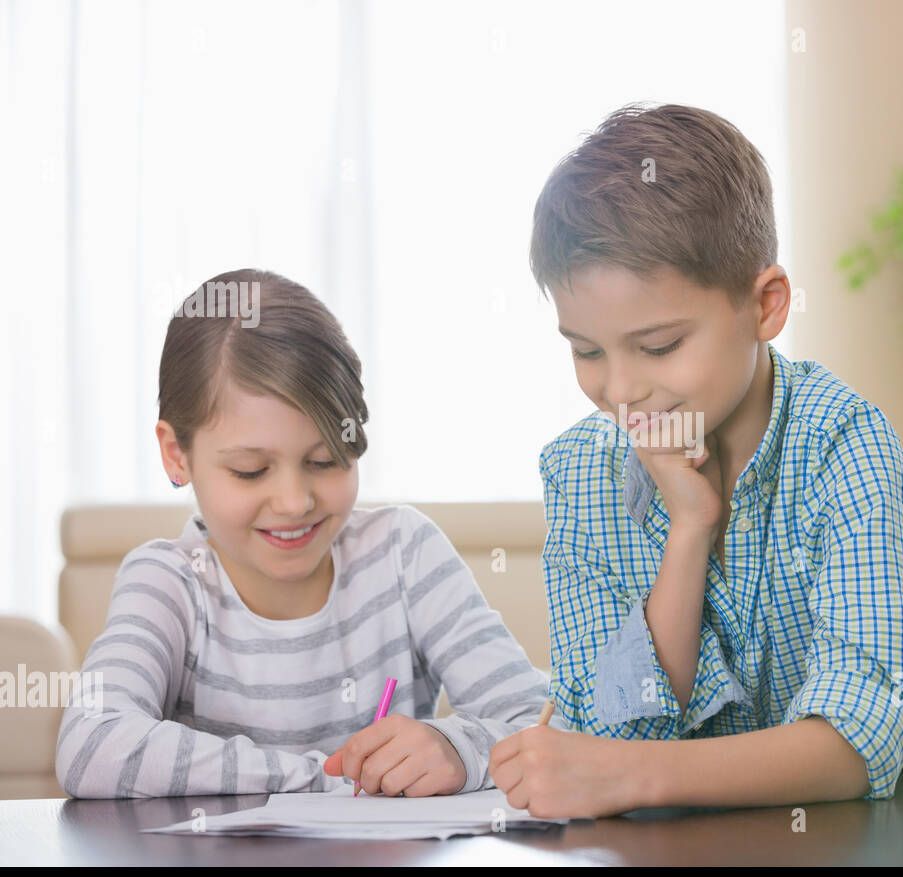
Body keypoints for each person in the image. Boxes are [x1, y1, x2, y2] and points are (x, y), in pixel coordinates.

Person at [487, 103, 903, 819]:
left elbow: (858, 739)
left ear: (765, 305)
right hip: (689, 840)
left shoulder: (847, 443)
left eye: (657, 347)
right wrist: (689, 530)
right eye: (586, 351)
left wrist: (628, 776)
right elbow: (616, 724)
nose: (619, 391)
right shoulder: (580, 472)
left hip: (873, 831)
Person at [54, 269, 548, 798]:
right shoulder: (169, 582)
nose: (294, 502)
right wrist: (322, 777)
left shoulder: (404, 553)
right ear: (177, 455)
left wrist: (457, 749)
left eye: (324, 460)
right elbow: (92, 744)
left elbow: (546, 725)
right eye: (250, 470)